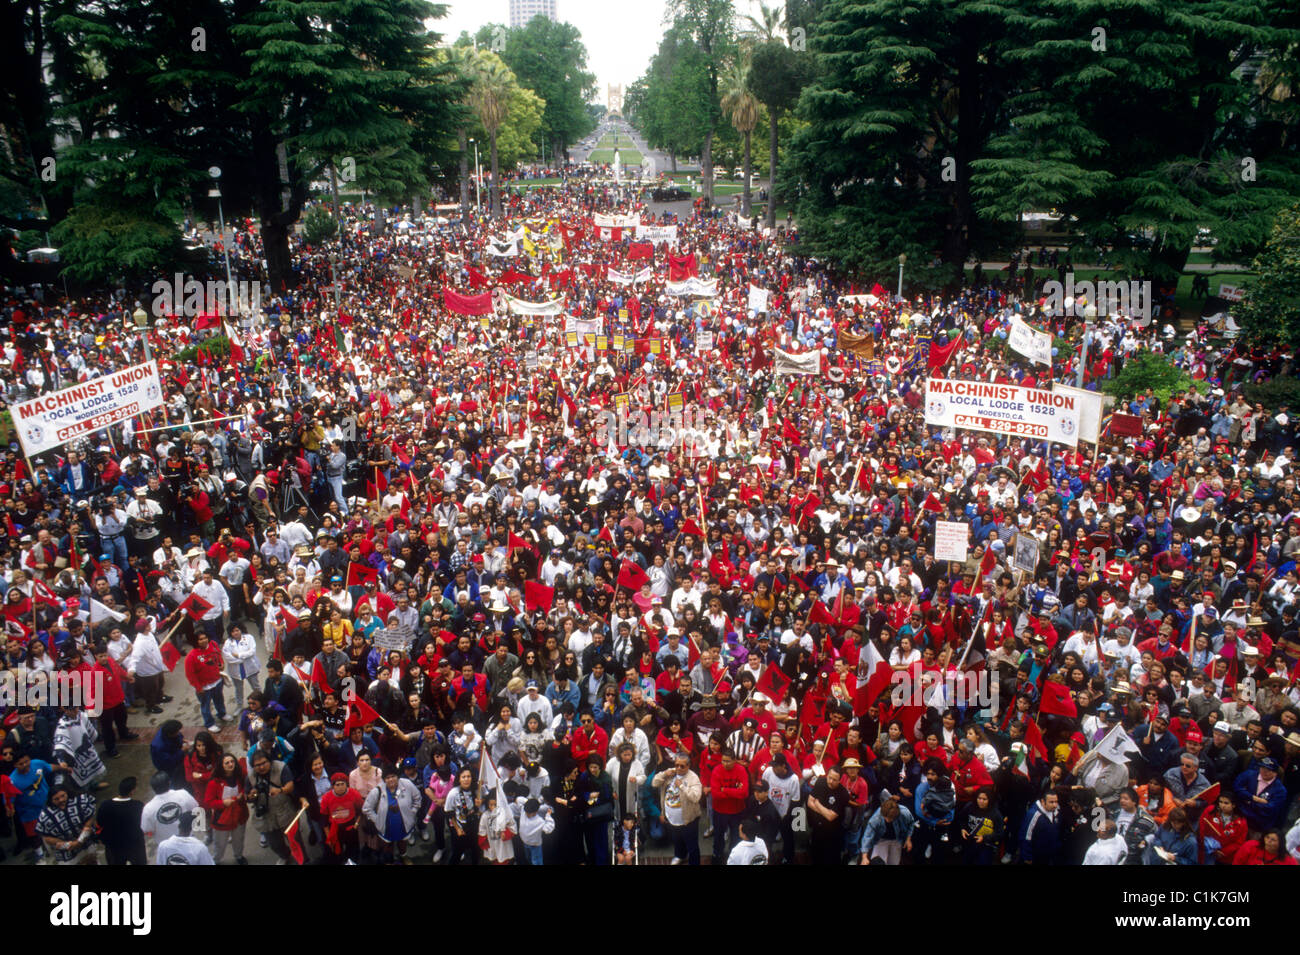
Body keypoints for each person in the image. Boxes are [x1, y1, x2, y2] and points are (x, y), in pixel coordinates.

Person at [362, 764, 421, 864]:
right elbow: (366, 808)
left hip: (403, 825)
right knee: (387, 845)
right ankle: (389, 860)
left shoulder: (407, 784)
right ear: (384, 779)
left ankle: (404, 857)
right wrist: (377, 819)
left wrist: (412, 812)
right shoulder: (377, 791)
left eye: (393, 776)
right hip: (387, 827)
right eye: (387, 778)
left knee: (402, 842)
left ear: (397, 776)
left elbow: (417, 798)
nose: (391, 780)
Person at [653, 752, 703, 865]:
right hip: (671, 818)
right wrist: (664, 774)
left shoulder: (693, 778)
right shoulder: (671, 773)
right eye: (676, 765)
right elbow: (654, 783)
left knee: (692, 845)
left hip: (688, 820)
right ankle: (680, 855)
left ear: (688, 766)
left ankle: (694, 862)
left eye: (682, 766)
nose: (678, 768)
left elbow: (695, 797)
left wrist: (681, 786)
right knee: (677, 840)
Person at [36, 785, 99, 865]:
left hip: (87, 843)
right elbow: (47, 837)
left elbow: (90, 818)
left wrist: (80, 840)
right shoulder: (45, 815)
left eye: (63, 796)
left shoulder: (80, 800)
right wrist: (68, 845)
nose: (61, 800)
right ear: (51, 800)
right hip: (66, 853)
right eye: (56, 799)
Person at [205, 753, 250, 864]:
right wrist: (223, 803)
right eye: (227, 763)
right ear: (222, 765)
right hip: (222, 818)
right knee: (220, 842)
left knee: (238, 839)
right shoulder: (214, 782)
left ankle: (238, 856)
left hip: (239, 814)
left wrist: (243, 794)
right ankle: (216, 859)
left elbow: (248, 786)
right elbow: (209, 801)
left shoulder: (241, 775)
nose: (231, 764)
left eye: (232, 761)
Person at [141, 770, 199, 854]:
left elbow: (146, 829)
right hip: (188, 840)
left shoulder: (148, 809)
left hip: (167, 847)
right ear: (169, 783)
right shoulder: (182, 794)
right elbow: (195, 809)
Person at [97, 776, 147, 865]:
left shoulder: (105, 805)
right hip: (134, 845)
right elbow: (144, 825)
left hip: (114, 846)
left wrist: (102, 839)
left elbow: (99, 825)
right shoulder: (138, 806)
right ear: (132, 791)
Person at [806, 765, 849, 865]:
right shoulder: (820, 782)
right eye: (829, 778)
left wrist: (818, 804)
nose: (830, 781)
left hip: (833, 833)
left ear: (839, 780)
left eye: (834, 780)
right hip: (817, 829)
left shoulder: (843, 794)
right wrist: (824, 812)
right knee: (816, 857)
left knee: (831, 859)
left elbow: (830, 817)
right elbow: (809, 802)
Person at [1020, 791, 1061, 865]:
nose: (1055, 805)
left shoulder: (1056, 812)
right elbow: (1026, 836)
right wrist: (1027, 857)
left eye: (1056, 801)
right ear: (1043, 801)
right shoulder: (1033, 815)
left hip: (1049, 856)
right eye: (1051, 802)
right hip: (1035, 856)